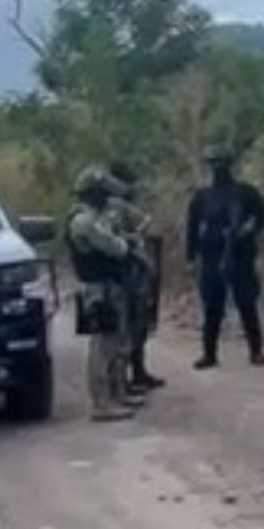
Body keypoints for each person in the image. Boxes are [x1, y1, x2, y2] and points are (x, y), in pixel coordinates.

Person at [65, 167, 141, 422]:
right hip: (99, 287)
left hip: (109, 284)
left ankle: (117, 393)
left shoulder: (94, 218)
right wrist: (127, 243)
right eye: (104, 193)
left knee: (118, 342)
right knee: (103, 344)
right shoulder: (84, 221)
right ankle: (102, 402)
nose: (108, 199)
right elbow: (114, 247)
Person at [185, 145, 264, 369]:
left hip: (241, 255)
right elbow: (192, 227)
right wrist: (191, 257)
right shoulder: (202, 196)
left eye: (220, 162)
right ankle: (209, 353)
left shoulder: (246, 192)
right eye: (213, 163)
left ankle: (256, 350)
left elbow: (262, 217)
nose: (217, 168)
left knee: (247, 304)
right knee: (213, 308)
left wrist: (247, 231)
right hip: (212, 256)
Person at [107, 161, 165, 394]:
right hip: (125, 275)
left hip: (130, 274)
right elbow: (135, 237)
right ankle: (125, 379)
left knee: (136, 326)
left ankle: (135, 374)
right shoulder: (115, 208)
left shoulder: (114, 207)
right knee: (126, 328)